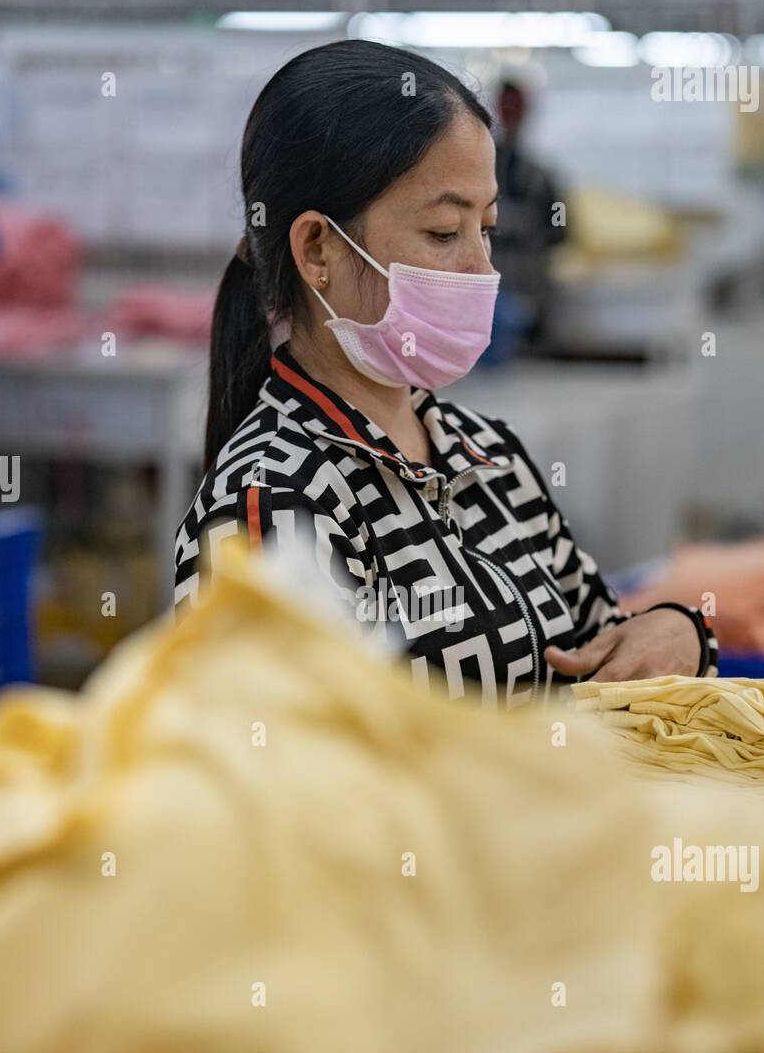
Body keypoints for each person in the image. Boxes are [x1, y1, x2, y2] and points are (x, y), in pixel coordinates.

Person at [175, 40, 716, 708]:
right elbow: (293, 790)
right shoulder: (270, 504)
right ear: (318, 248)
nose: (483, 269)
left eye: (485, 230)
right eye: (442, 233)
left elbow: (600, 645)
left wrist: (677, 632)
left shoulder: (488, 456)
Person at [491, 79, 566, 353]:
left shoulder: (538, 176)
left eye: (515, 111)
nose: (511, 118)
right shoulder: (479, 167)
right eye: (506, 110)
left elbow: (560, 229)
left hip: (525, 273)